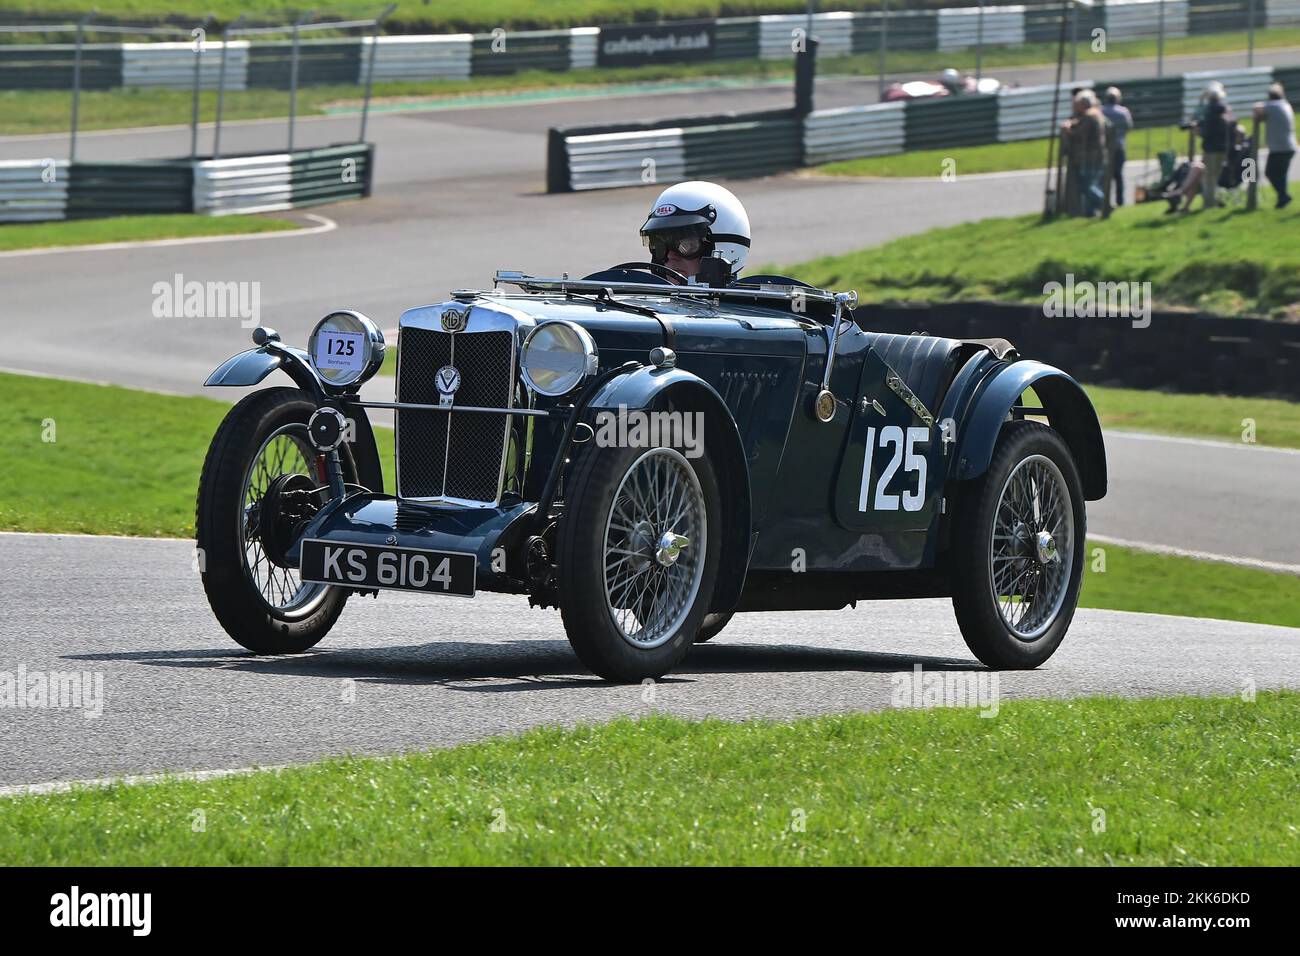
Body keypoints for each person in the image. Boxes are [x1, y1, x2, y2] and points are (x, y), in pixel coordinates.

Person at [638, 181, 751, 284]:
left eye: (685, 245)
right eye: (660, 245)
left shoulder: (749, 305)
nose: (670, 257)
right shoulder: (646, 302)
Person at [1063, 90, 1107, 217]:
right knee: (1090, 183)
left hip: (1090, 156)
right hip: (1096, 155)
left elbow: (1079, 134)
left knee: (1088, 185)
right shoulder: (1095, 113)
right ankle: (1090, 211)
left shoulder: (1089, 116)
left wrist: (1067, 129)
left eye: (1078, 104)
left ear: (1084, 104)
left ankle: (1105, 204)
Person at [1255, 82, 1296, 209]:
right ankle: (1282, 200)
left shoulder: (1273, 106)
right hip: (1288, 146)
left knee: (1270, 173)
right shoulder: (1285, 105)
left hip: (1280, 148)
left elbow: (1256, 108)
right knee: (1281, 175)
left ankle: (1284, 196)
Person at [1197, 83, 1233, 209]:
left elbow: (1206, 132)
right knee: (1215, 176)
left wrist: (1199, 132)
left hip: (1211, 148)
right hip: (1222, 148)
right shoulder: (1225, 110)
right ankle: (1214, 200)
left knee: (1209, 177)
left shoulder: (1209, 112)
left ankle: (1209, 204)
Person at [1101, 86, 1134, 206]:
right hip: (1119, 146)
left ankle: (1105, 202)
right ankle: (1120, 201)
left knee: (1105, 176)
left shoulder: (1101, 111)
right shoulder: (1123, 112)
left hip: (1104, 148)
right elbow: (1129, 127)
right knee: (1118, 174)